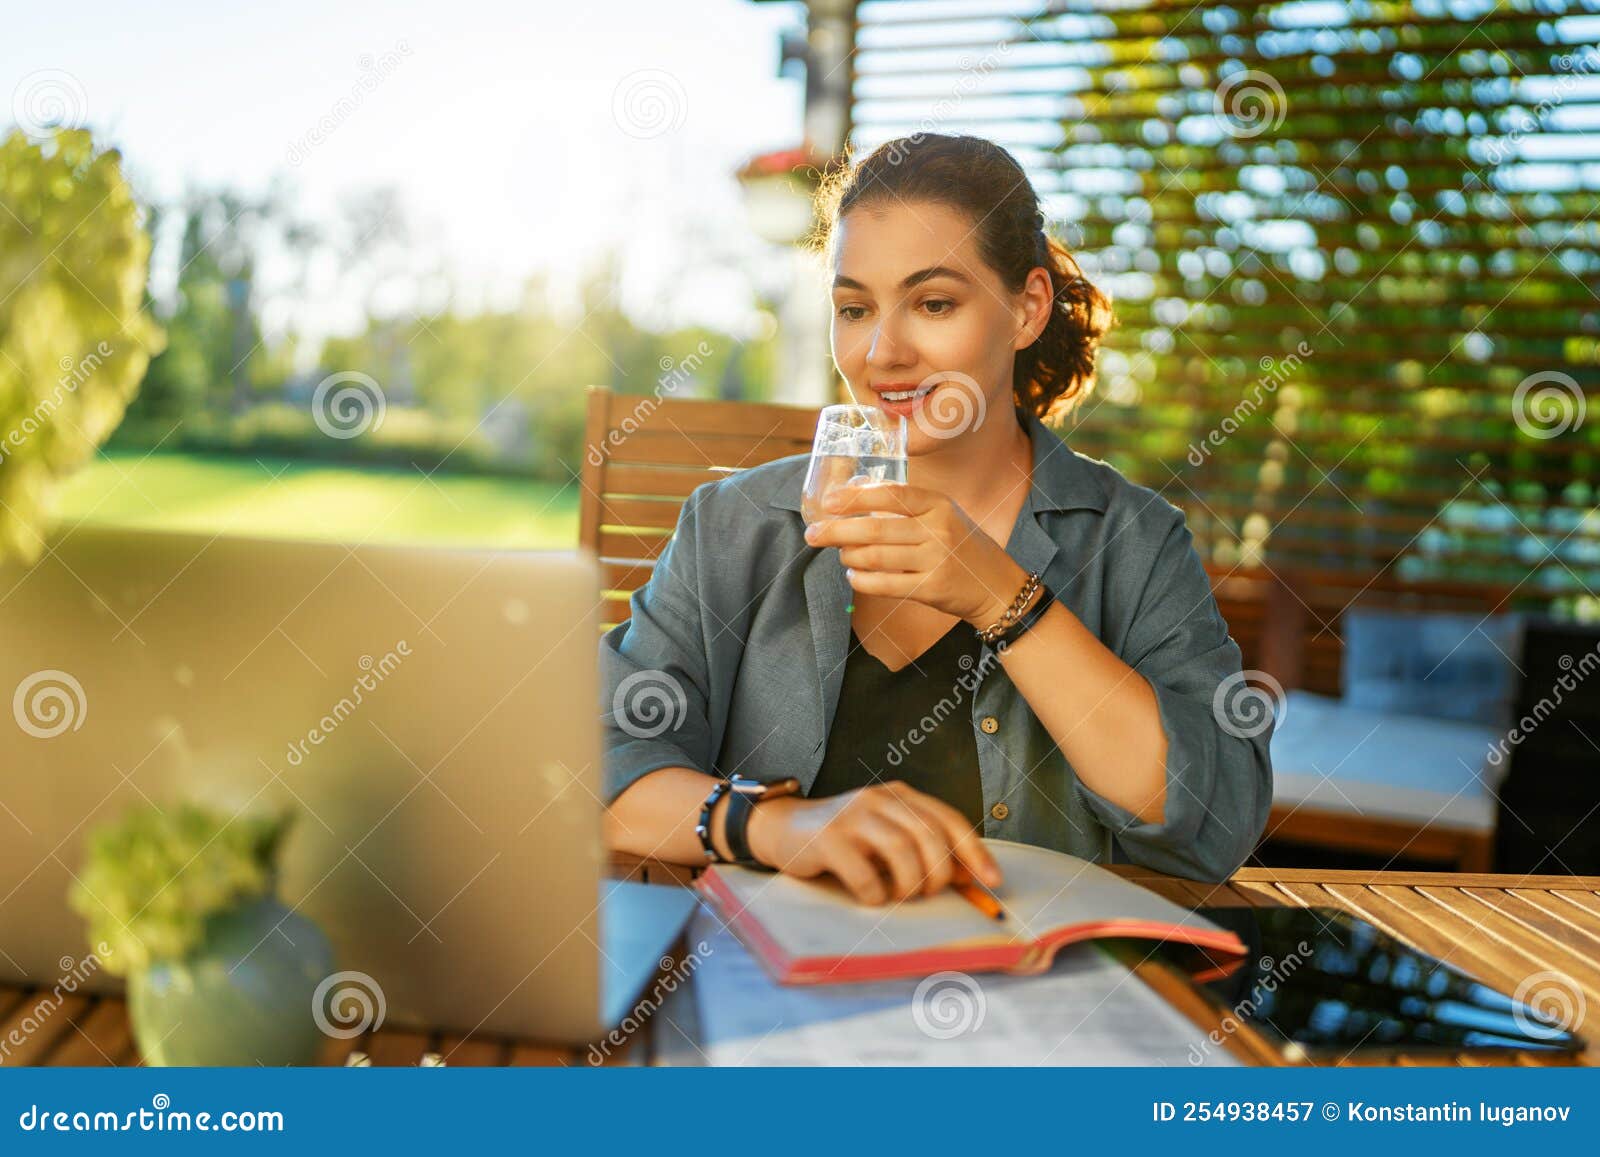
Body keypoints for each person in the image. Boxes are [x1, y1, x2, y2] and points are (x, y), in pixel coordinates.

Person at [600, 133, 1273, 902]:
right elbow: (592, 761)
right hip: (773, 994)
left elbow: (1217, 822)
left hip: (1037, 1006)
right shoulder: (734, 524)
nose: (883, 352)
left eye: (934, 304)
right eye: (854, 308)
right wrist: (776, 827)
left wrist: (1003, 598)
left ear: (1027, 309)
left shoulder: (1134, 542)